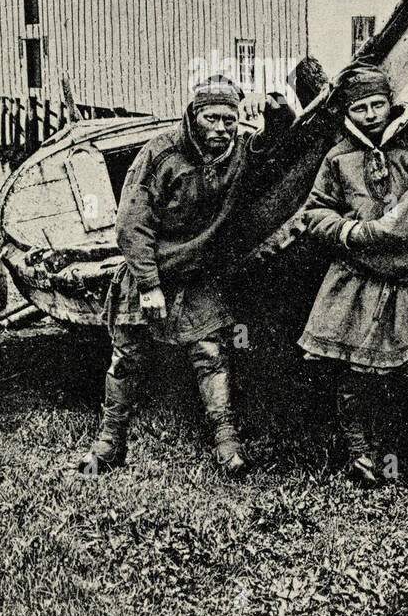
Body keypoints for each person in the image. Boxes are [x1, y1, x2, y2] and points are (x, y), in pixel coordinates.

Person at [81, 75, 294, 478]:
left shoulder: (239, 152)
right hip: (150, 272)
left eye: (229, 119)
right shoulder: (159, 154)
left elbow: (274, 150)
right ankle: (109, 444)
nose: (220, 129)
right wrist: (148, 285)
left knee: (211, 355)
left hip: (197, 277)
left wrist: (279, 113)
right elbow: (131, 223)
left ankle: (227, 443)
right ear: (193, 115)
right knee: (127, 359)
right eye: (211, 118)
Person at [297, 64, 408, 492]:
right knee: (354, 375)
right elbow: (314, 212)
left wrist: (386, 231)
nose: (371, 114)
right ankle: (362, 457)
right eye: (360, 108)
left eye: (377, 104)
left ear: (392, 103)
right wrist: (350, 231)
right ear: (348, 113)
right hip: (355, 280)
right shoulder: (337, 158)